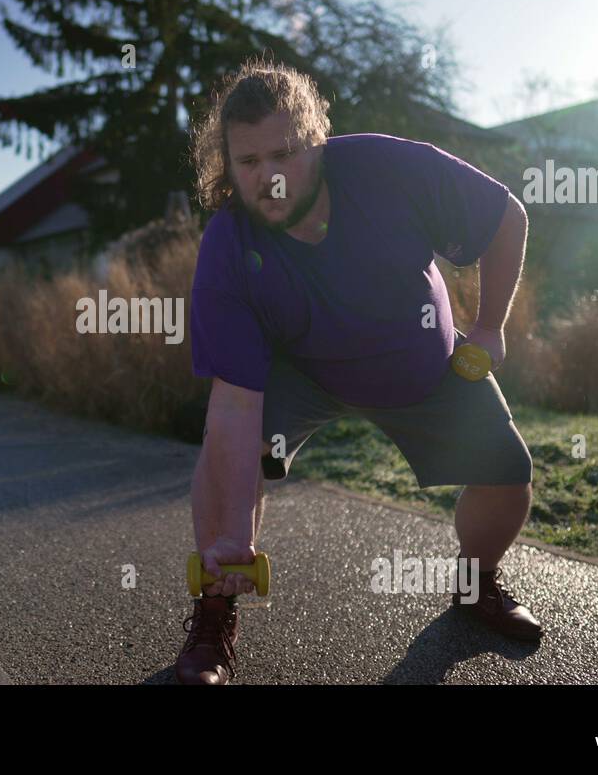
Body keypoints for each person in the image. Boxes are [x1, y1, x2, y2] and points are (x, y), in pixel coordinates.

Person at [175, 58, 541, 686]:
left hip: (423, 363)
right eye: (249, 163)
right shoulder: (229, 245)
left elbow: (506, 217)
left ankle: (476, 585)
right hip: (306, 370)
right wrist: (236, 533)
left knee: (509, 479)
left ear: (318, 139)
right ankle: (213, 616)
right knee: (221, 457)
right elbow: (235, 403)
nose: (271, 178)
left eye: (285, 153)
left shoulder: (389, 168)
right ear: (228, 169)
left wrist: (489, 328)